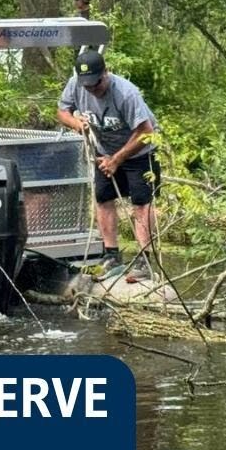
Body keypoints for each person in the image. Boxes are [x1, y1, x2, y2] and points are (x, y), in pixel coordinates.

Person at [57, 49, 160, 283]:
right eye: (87, 86)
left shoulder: (126, 93)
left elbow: (146, 132)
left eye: (96, 83)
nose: (92, 89)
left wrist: (117, 160)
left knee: (141, 203)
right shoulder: (76, 84)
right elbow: (62, 111)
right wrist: (75, 123)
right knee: (103, 198)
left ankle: (144, 261)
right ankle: (111, 256)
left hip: (140, 151)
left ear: (105, 73)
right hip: (105, 151)